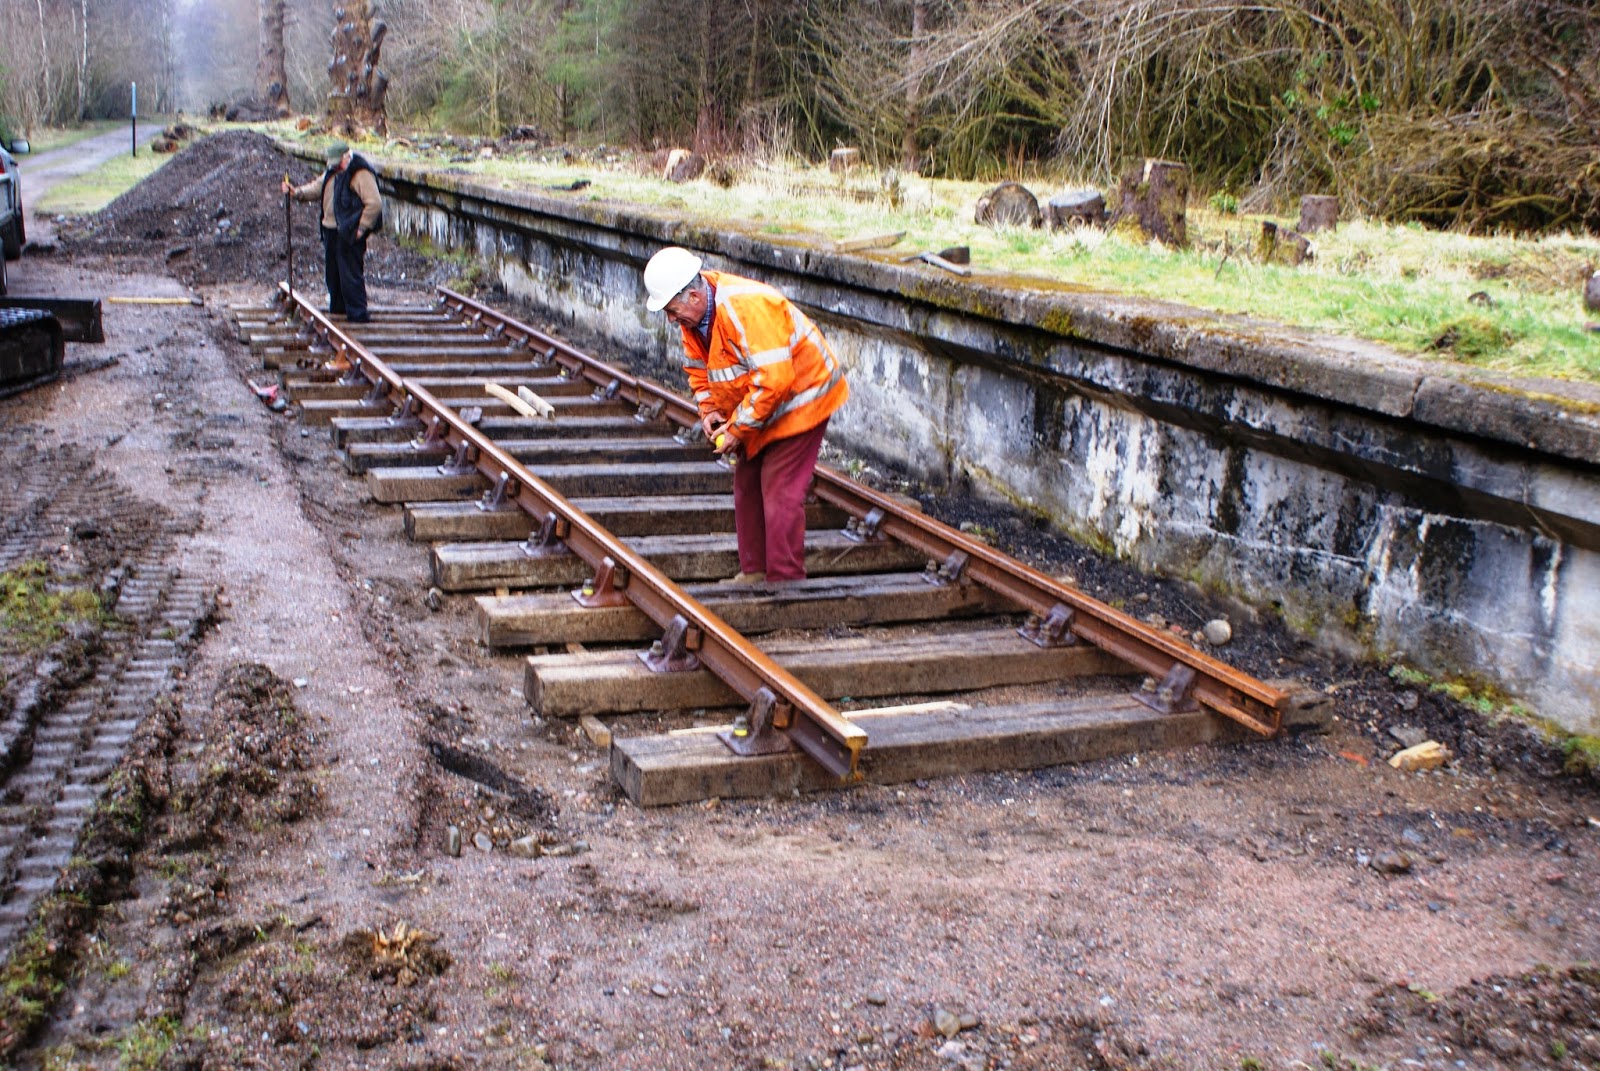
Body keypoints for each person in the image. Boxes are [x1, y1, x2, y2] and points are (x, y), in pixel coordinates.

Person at [643, 246, 849, 584]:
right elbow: (699, 371)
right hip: (761, 404)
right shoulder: (694, 320)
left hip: (801, 400)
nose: (670, 319)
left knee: (779, 489)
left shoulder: (746, 308)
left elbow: (775, 381)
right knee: (748, 484)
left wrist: (737, 429)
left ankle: (786, 582)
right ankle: (754, 572)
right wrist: (709, 410)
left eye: (671, 311)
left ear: (694, 296)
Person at [281, 140, 382, 323]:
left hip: (349, 231)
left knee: (350, 274)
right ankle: (338, 311)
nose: (335, 166)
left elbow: (374, 203)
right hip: (331, 230)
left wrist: (361, 227)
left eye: (338, 163)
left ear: (347, 157)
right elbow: (317, 186)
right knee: (333, 274)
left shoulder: (360, 173)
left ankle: (357, 315)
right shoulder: (333, 171)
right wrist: (297, 193)